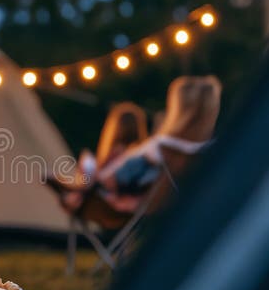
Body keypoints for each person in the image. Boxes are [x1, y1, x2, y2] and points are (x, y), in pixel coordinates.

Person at [56, 75, 222, 224]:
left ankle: (72, 191)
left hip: (136, 210)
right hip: (187, 215)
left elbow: (110, 179)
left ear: (178, 109)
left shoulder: (160, 147)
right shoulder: (214, 152)